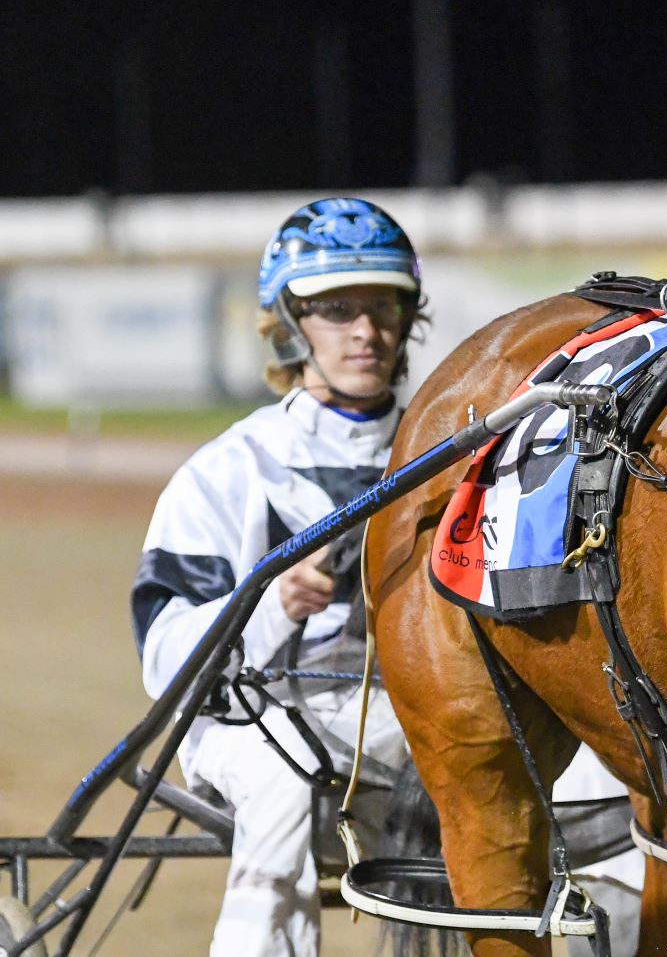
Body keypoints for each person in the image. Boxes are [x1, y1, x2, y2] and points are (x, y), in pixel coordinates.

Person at [132, 196, 641, 957]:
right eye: (337, 310)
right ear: (289, 320)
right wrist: (269, 607)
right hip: (268, 719)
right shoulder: (228, 471)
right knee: (279, 792)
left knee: (618, 787)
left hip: (427, 715)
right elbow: (163, 658)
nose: (365, 332)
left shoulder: (463, 453)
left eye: (383, 307)